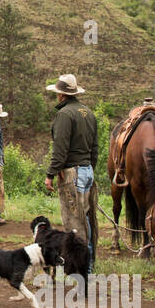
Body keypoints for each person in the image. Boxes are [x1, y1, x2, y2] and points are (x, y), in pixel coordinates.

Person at [44, 74, 98, 269]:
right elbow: (95, 147)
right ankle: (89, 261)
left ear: (61, 95)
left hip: (72, 173)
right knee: (85, 219)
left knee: (74, 222)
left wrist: (51, 173)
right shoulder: (88, 112)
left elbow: (60, 148)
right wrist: (91, 168)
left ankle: (83, 267)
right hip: (86, 170)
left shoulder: (65, 115)